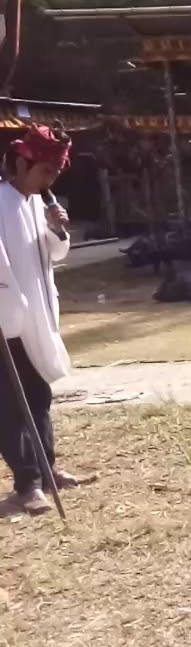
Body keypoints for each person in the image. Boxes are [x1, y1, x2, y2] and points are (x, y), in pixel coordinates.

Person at [0, 124, 97, 515]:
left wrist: (57, 229)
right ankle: (27, 484)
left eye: (54, 174)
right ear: (21, 163)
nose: (49, 181)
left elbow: (52, 256)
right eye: (44, 172)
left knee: (39, 396)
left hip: (37, 315)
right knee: (10, 403)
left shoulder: (37, 205)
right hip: (7, 320)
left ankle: (48, 467)